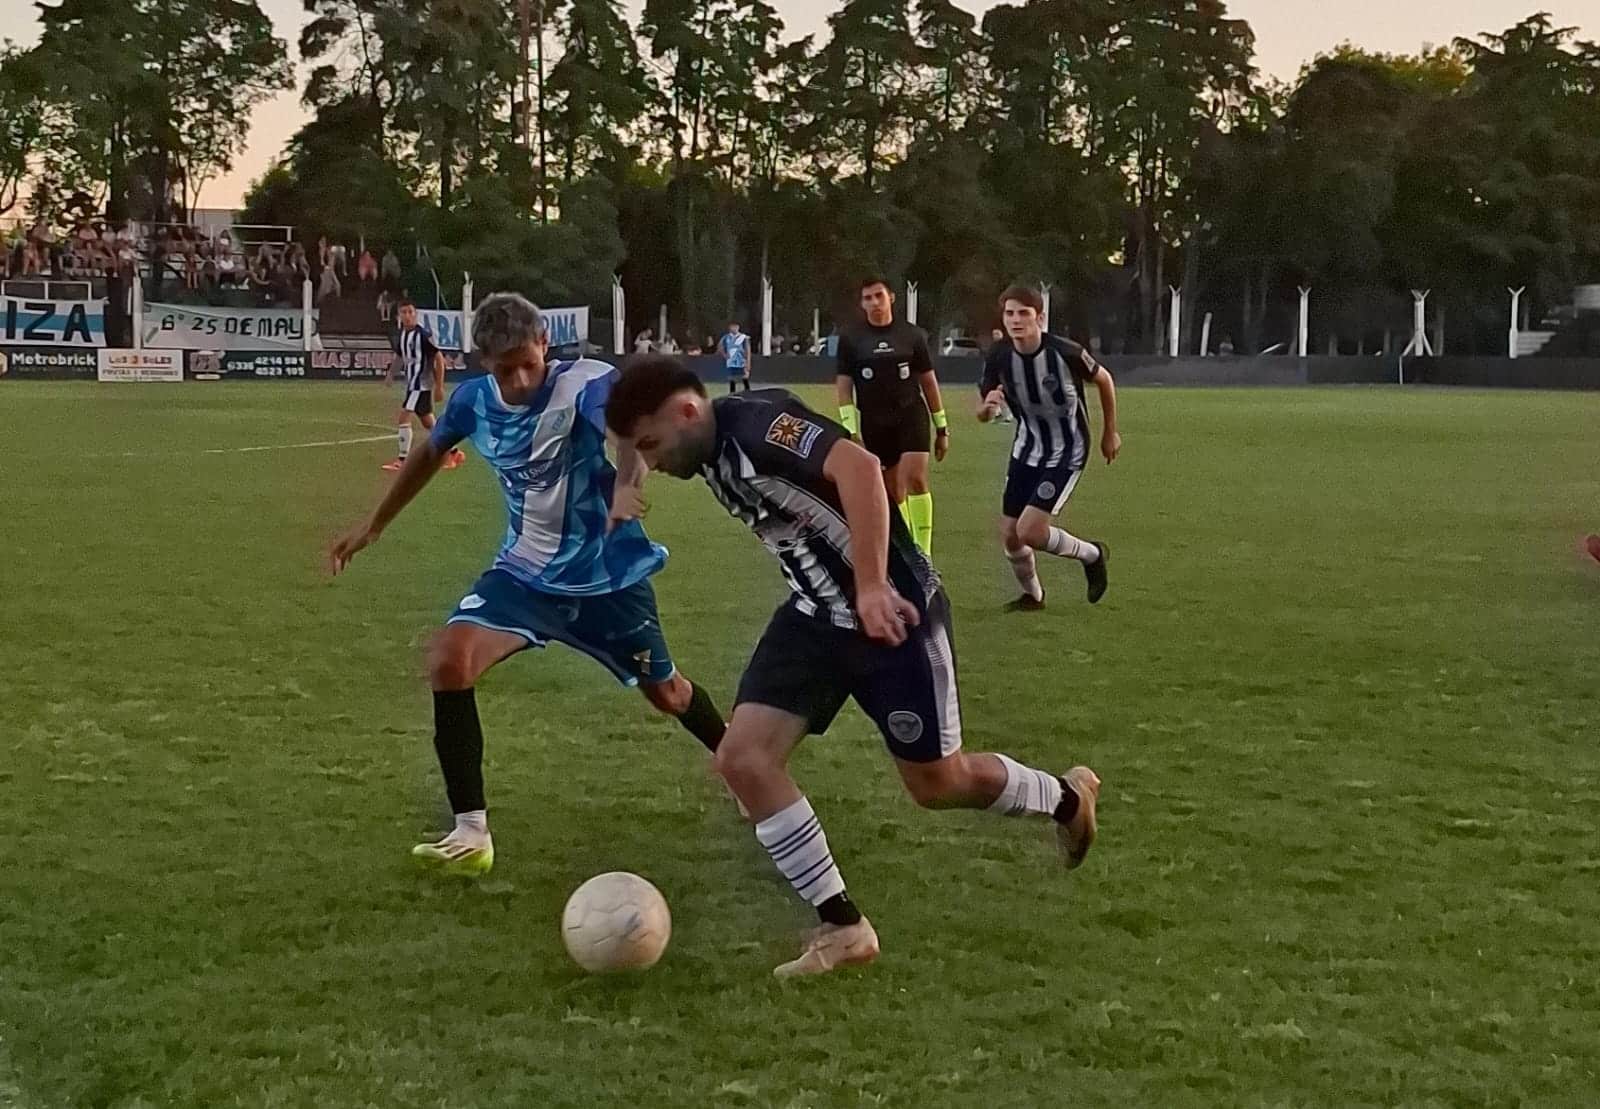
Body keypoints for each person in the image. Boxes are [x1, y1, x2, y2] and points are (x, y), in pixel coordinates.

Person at [605, 357, 1101, 977]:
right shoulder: (698, 444)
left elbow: (861, 469)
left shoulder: (760, 427)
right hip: (815, 618)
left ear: (686, 414)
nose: (651, 461)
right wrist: (627, 477)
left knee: (938, 785)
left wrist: (869, 587)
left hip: (893, 613)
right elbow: (632, 431)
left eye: (651, 447)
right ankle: (844, 929)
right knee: (742, 759)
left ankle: (1064, 798)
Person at [329, 296, 729, 876]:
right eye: (502, 369)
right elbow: (431, 452)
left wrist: (626, 484)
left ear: (545, 343)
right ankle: (470, 833)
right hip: (525, 574)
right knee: (449, 659)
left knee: (666, 694)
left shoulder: (586, 382)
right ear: (482, 363)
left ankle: (738, 761)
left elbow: (624, 436)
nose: (518, 381)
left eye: (527, 364)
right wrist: (375, 524)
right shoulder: (471, 401)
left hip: (607, 579)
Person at [977, 284, 1119, 611]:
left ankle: (1092, 555)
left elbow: (1104, 380)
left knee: (1030, 531)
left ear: (1039, 318)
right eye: (1009, 313)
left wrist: (1110, 432)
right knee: (1011, 536)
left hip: (1067, 451)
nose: (1015, 320)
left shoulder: (1064, 352)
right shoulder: (999, 356)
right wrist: (988, 408)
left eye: (1023, 313)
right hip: (1027, 448)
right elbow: (983, 412)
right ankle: (1033, 596)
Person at [833, 277, 948, 554]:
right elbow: (844, 388)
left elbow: (929, 382)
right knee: (894, 491)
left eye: (878, 296)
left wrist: (942, 427)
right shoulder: (851, 339)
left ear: (891, 298)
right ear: (862, 303)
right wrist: (851, 430)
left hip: (911, 415)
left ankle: (924, 552)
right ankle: (909, 548)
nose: (874, 303)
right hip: (875, 422)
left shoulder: (912, 335)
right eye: (868, 298)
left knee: (916, 477)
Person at [383, 298, 465, 473]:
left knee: (403, 417)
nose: (407, 316)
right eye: (404, 312)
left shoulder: (423, 335)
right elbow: (399, 356)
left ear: (415, 314)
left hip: (420, 384)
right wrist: (391, 373)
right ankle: (453, 452)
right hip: (413, 384)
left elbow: (439, 359)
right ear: (399, 315)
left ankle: (402, 460)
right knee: (428, 422)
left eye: (410, 312)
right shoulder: (403, 335)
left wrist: (439, 386)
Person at [718, 321, 750, 394]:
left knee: (744, 376)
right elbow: (720, 346)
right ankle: (732, 393)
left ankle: (748, 391)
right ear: (730, 327)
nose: (734, 328)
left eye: (736, 326)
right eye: (733, 326)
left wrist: (748, 361)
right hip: (731, 360)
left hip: (741, 360)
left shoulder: (743, 337)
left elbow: (747, 350)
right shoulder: (726, 337)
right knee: (732, 377)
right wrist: (725, 355)